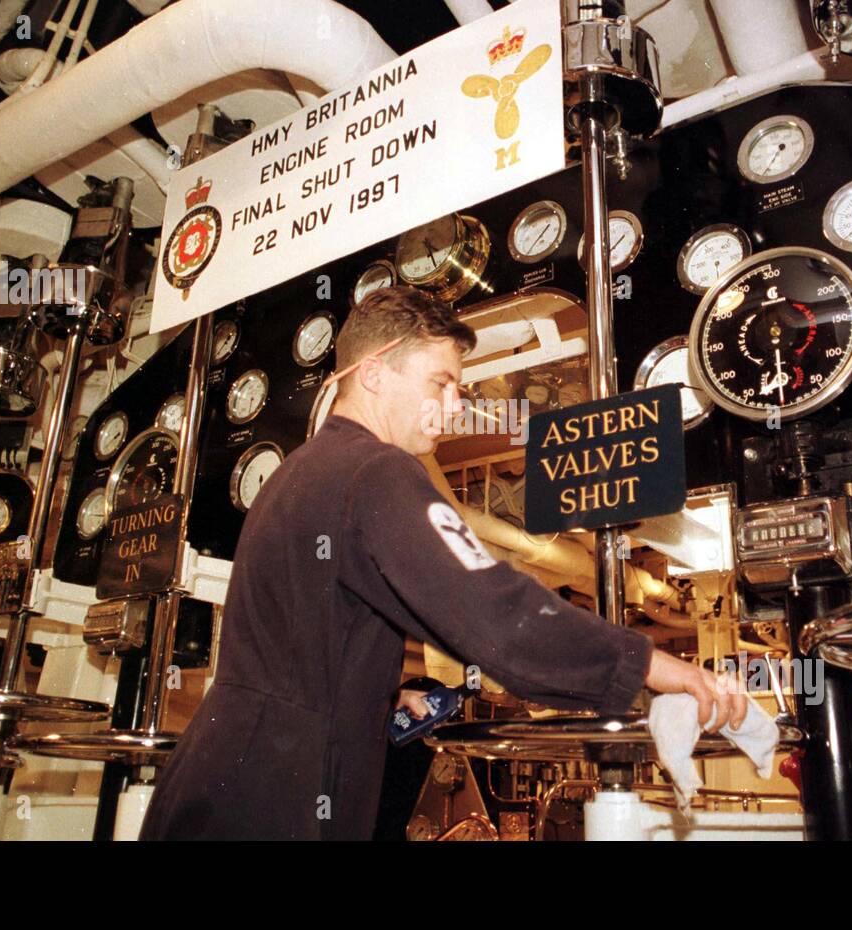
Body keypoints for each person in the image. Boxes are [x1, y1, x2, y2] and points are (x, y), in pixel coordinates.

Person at [139, 286, 744, 840]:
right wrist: (655, 666)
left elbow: (309, 635)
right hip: (281, 800)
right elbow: (493, 614)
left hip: (224, 778)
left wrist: (376, 692)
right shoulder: (376, 471)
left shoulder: (298, 473)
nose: (455, 407)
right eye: (441, 383)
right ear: (373, 375)